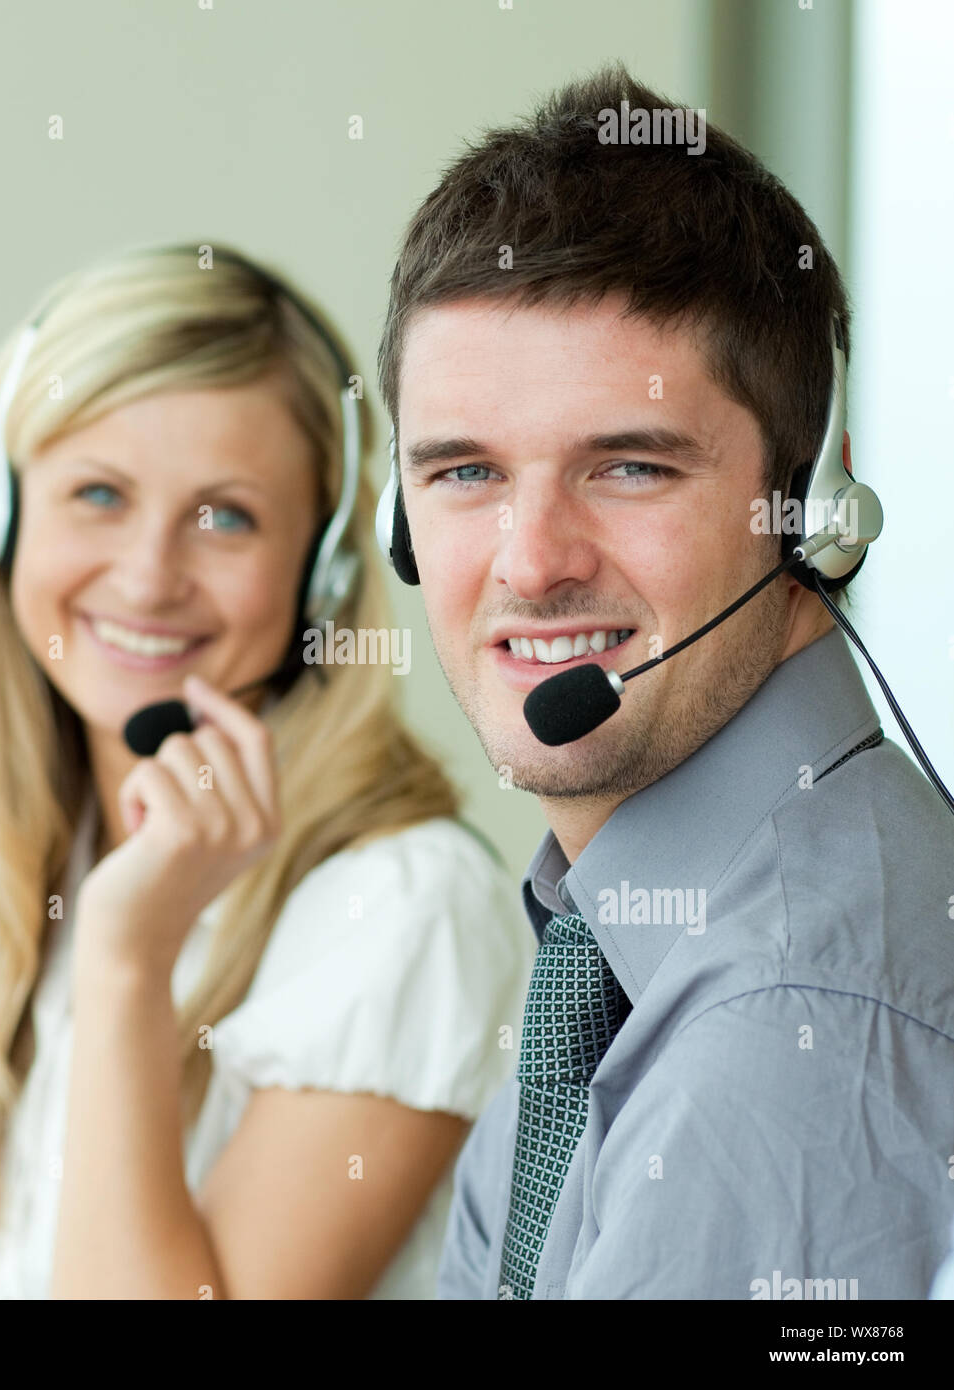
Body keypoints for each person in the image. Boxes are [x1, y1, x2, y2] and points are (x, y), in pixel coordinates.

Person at [372, 64, 954, 1299]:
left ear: (808, 510)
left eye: (627, 468)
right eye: (464, 473)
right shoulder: (622, 944)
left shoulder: (790, 1023)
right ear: (398, 519)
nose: (530, 563)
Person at [0, 241, 536, 1299]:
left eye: (224, 515)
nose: (146, 576)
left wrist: (127, 960)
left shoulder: (402, 911)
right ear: (3, 521)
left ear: (321, 570)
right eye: (96, 493)